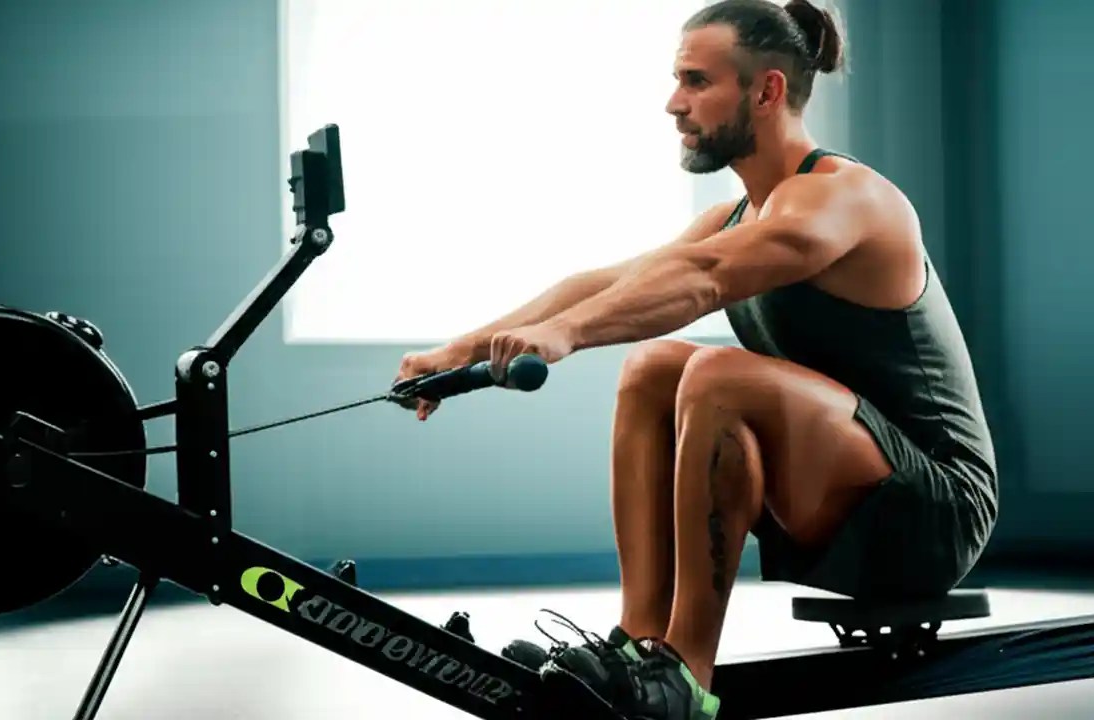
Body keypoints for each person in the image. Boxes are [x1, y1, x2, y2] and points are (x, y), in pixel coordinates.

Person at [393, 0, 998, 718]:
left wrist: (567, 335)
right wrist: (457, 352)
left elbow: (705, 277)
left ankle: (683, 678)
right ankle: (636, 645)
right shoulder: (738, 215)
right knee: (653, 369)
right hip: (838, 488)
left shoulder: (846, 199)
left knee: (715, 374)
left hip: (934, 512)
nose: (673, 104)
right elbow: (611, 284)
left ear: (767, 91)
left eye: (696, 81)